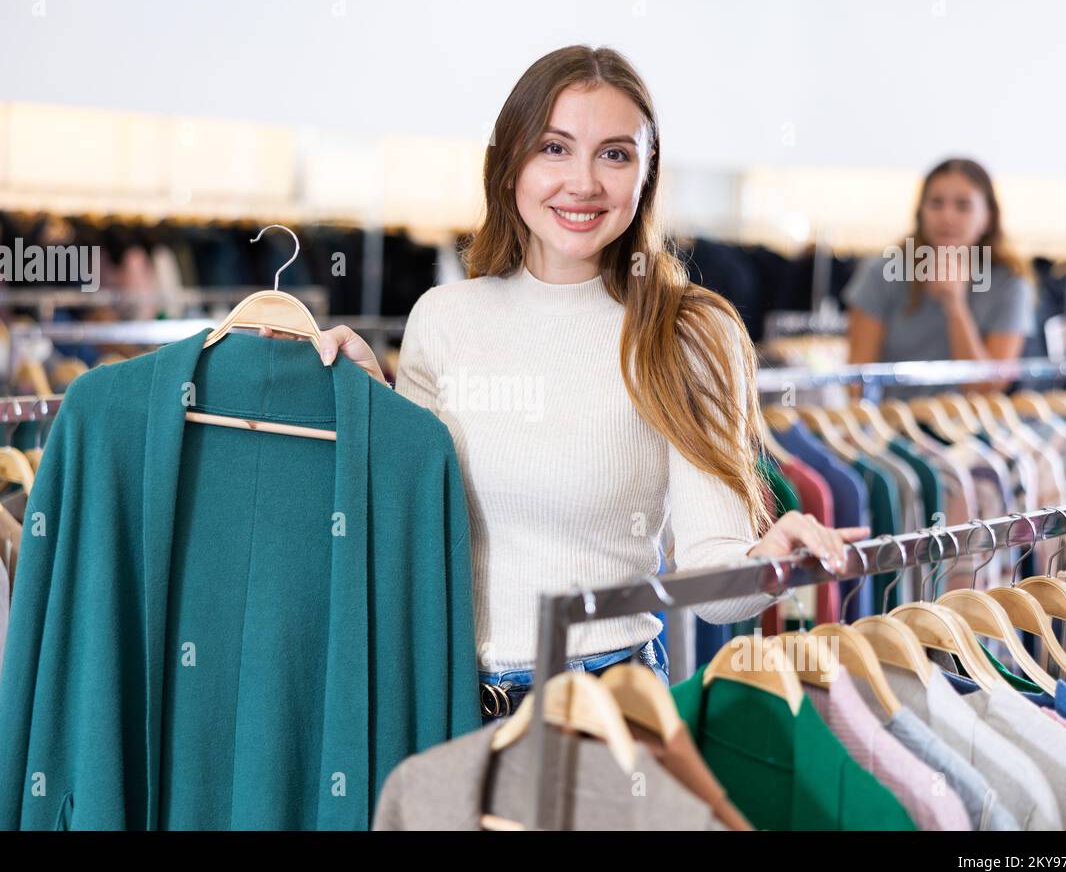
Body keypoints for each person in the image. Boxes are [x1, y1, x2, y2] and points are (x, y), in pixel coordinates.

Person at [271, 45, 865, 719]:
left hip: (602, 701)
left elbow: (710, 573)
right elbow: (412, 529)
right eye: (555, 148)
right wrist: (366, 404)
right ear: (510, 163)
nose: (582, 182)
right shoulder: (444, 317)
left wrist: (769, 560)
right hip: (440, 696)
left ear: (646, 175)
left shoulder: (687, 332)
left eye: (615, 154)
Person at [844, 158, 1035, 393]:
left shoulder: (1010, 284)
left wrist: (955, 308)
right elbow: (858, 378)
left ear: (988, 217)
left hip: (970, 426)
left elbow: (986, 387)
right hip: (891, 424)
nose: (947, 216)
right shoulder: (882, 272)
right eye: (936, 203)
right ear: (921, 212)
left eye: (963, 206)